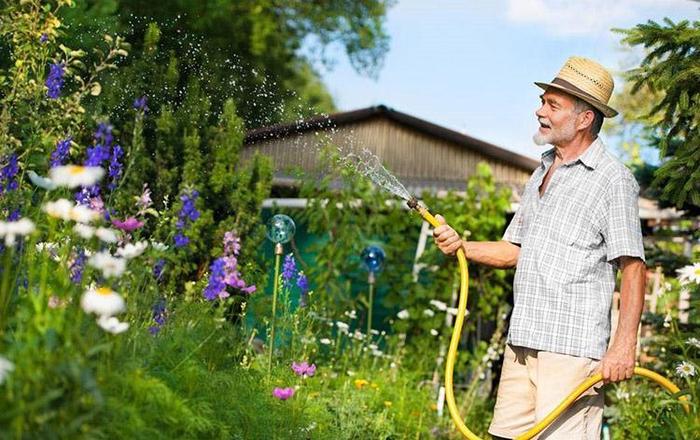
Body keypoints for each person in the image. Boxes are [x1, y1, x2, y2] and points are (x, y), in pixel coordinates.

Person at [433, 56, 646, 439]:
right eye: (542, 101)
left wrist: (623, 346)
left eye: (552, 105)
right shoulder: (540, 173)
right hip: (523, 342)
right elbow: (514, 250)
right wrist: (461, 246)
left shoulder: (613, 180)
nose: (539, 111)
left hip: (571, 351)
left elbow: (633, 267)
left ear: (584, 118)